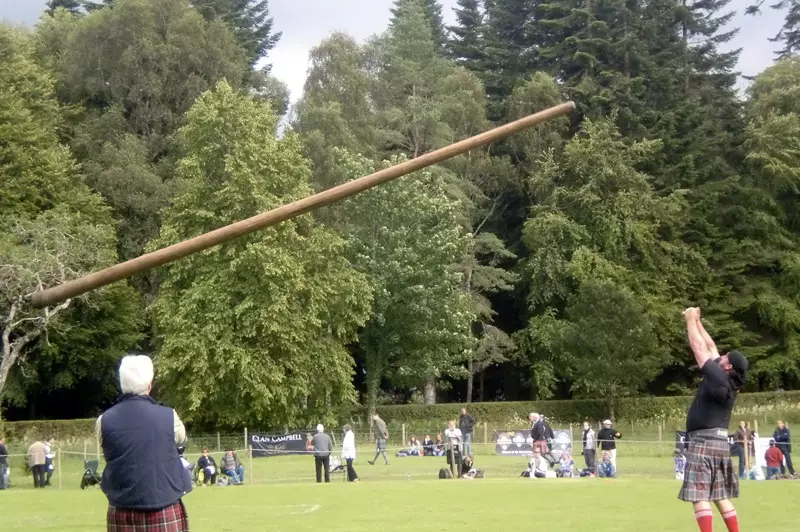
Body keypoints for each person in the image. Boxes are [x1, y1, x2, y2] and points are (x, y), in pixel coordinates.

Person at [96, 355, 192, 531]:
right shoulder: (169, 416)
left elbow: (107, 449)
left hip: (121, 509)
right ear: (149, 385)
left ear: (122, 385)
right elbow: (181, 439)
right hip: (163, 505)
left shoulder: (103, 421)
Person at [678, 307, 748, 532]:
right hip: (719, 444)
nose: (720, 355)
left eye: (725, 357)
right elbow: (710, 346)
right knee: (720, 496)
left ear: (727, 367)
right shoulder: (728, 381)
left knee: (699, 495)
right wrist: (698, 322)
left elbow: (699, 348)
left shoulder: (718, 377)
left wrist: (689, 320)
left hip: (703, 443)